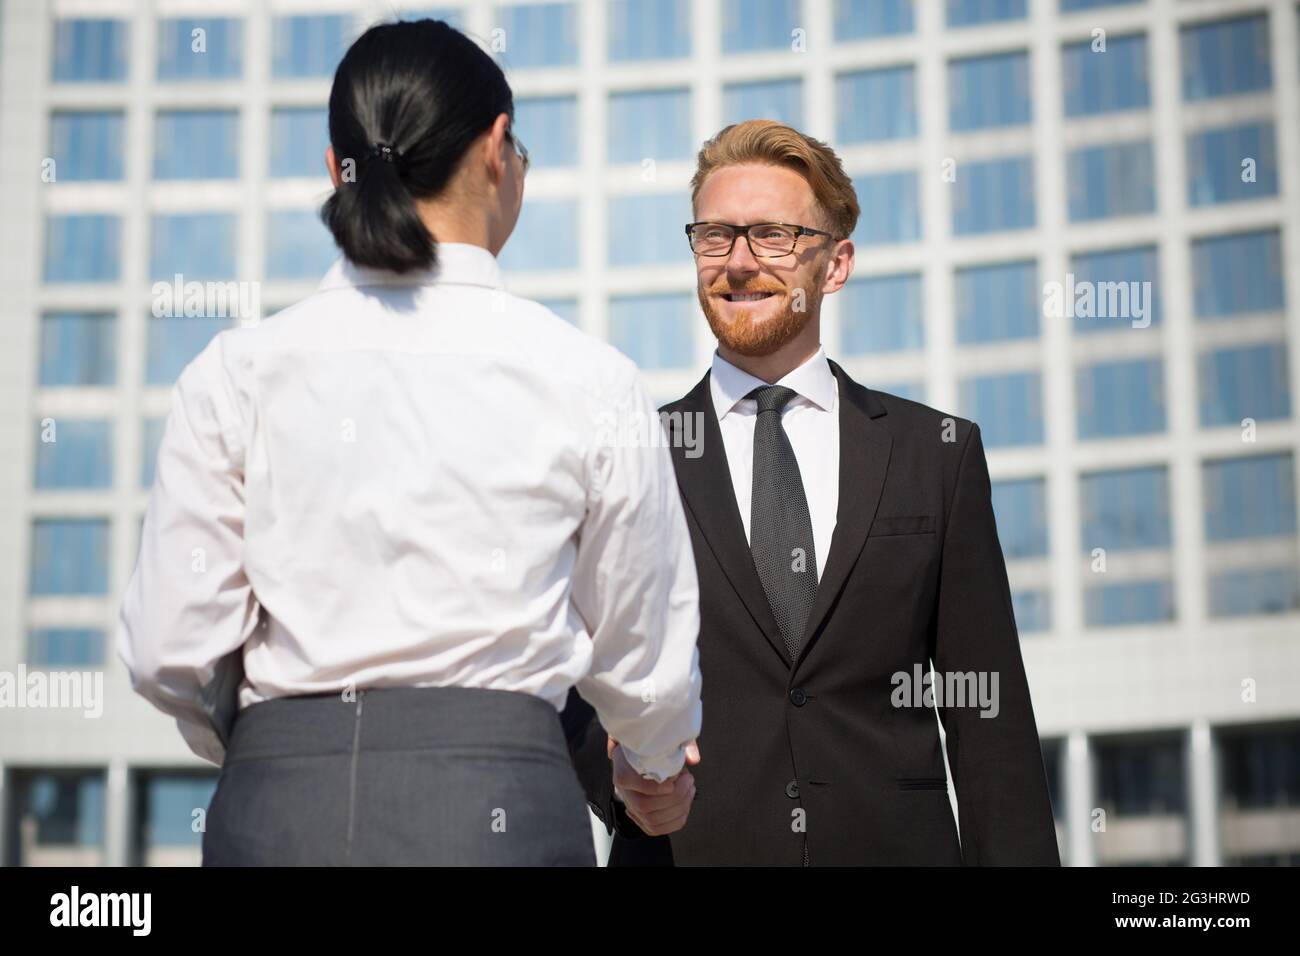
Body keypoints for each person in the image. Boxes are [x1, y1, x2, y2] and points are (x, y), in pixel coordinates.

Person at [116, 18, 701, 866]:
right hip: (499, 811)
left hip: (277, 815)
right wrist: (654, 767)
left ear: (335, 168)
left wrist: (282, 747)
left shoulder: (234, 373)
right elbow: (643, 657)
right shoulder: (587, 378)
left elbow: (170, 651)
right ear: (499, 148)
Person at [565, 120, 1059, 866]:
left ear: (834, 264)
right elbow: (566, 681)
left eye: (772, 236)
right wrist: (622, 787)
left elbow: (990, 728)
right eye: (715, 236)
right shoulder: (625, 454)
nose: (738, 262)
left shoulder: (937, 455)